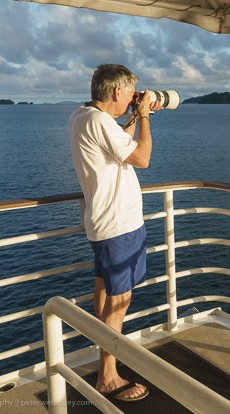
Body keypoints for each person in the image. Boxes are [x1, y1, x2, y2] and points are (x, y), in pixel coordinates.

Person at [68, 64, 162, 402]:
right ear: (117, 92)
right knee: (119, 300)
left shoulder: (84, 116)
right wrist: (147, 117)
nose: (134, 98)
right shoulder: (98, 122)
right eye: (131, 92)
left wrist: (135, 115)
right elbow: (141, 157)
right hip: (118, 224)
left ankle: (105, 355)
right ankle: (107, 376)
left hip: (103, 221)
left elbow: (119, 142)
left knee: (107, 294)